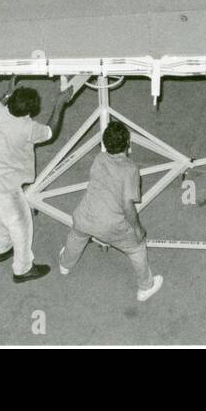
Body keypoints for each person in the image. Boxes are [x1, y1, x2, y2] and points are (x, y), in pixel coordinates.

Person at [0, 81, 69, 283]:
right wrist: (60, 103)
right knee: (22, 226)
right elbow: (51, 131)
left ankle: (3, 248)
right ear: (31, 112)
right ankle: (23, 268)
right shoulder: (27, 128)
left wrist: (7, 94)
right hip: (6, 189)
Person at [58, 120, 165, 302]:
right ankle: (145, 287)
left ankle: (65, 265)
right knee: (136, 248)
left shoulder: (99, 158)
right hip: (110, 225)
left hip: (84, 215)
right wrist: (138, 229)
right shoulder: (130, 169)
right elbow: (127, 206)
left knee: (77, 236)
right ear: (128, 144)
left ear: (104, 144)